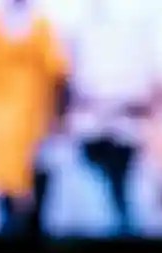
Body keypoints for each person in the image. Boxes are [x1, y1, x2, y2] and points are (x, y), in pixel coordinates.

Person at [0, 0, 69, 238]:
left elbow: (58, 71)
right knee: (14, 184)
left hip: (25, 117)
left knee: (20, 182)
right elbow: (59, 71)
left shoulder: (39, 25)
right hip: (10, 116)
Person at [67, 0, 157, 236]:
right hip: (95, 125)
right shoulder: (85, 24)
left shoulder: (136, 20)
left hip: (123, 124)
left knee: (121, 190)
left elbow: (144, 77)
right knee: (98, 194)